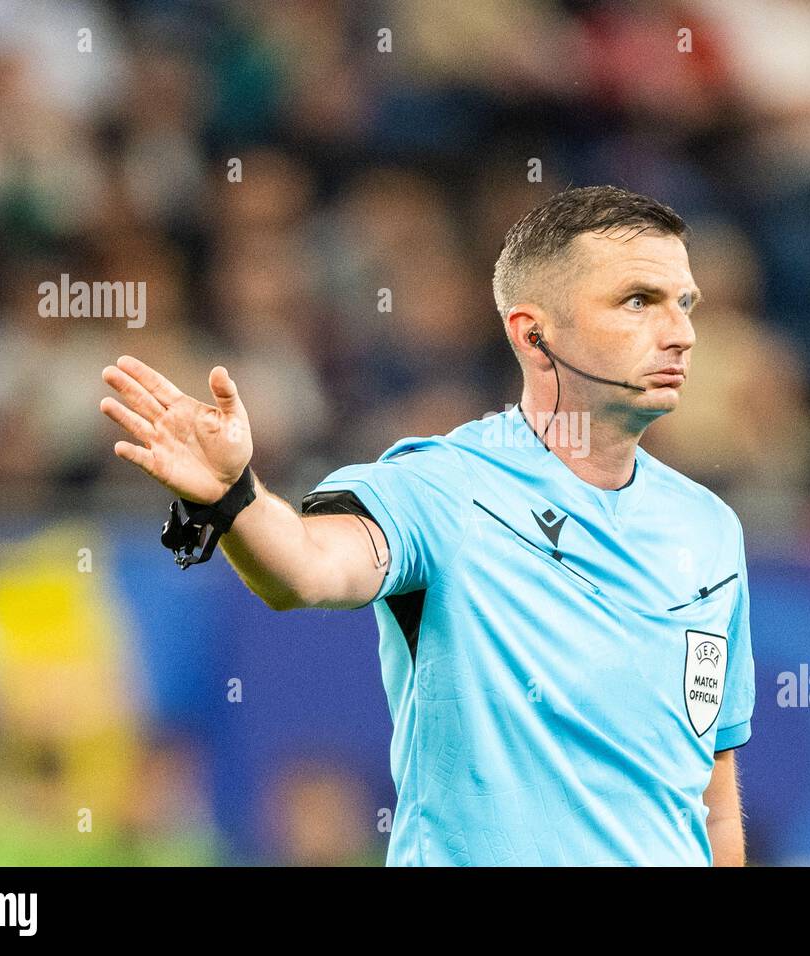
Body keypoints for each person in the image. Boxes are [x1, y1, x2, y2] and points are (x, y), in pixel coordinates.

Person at [100, 185, 755, 866]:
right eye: (638, 301)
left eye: (685, 303)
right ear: (535, 335)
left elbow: (708, 782)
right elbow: (305, 567)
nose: (680, 332)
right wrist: (232, 497)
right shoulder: (444, 487)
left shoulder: (709, 529)